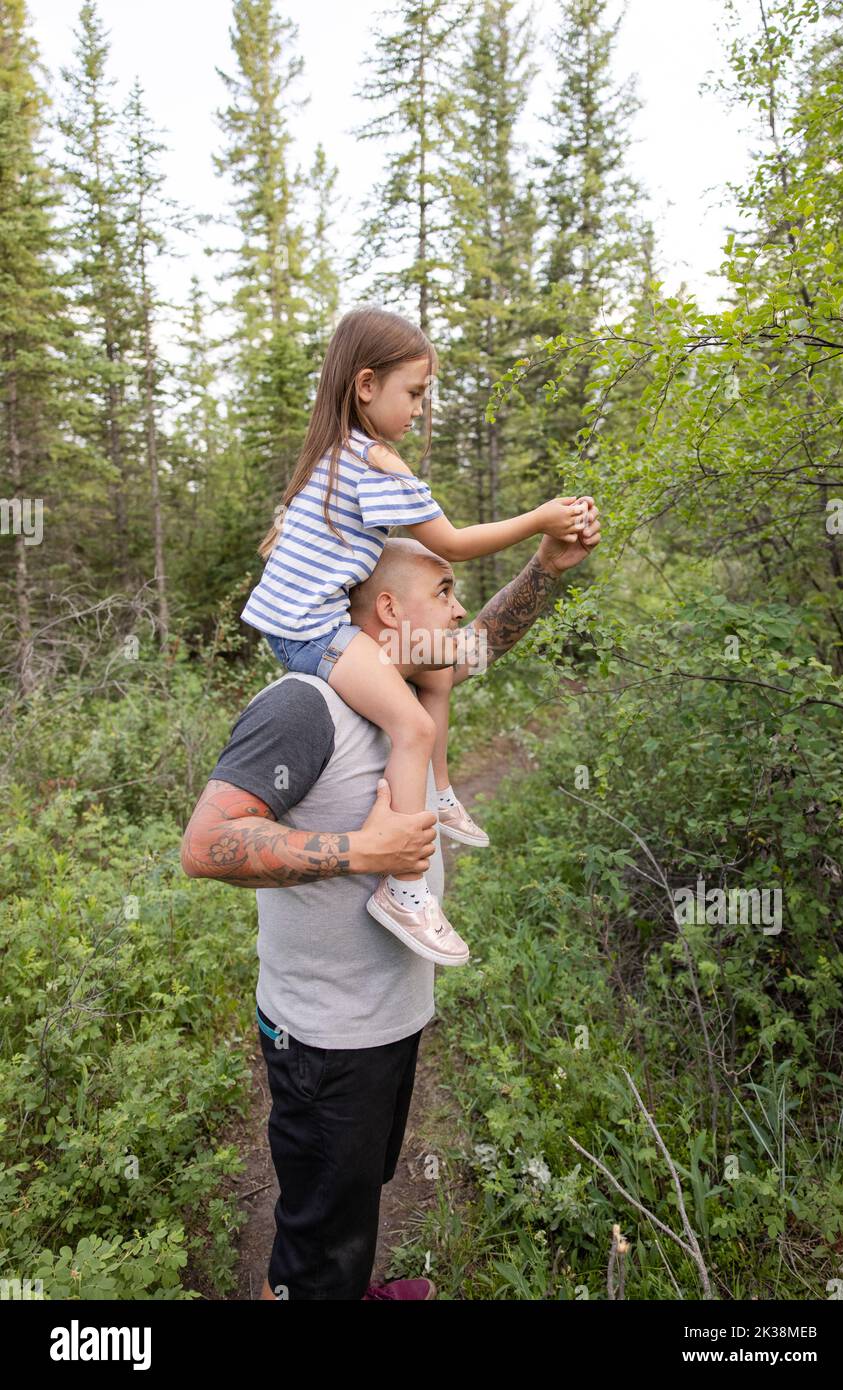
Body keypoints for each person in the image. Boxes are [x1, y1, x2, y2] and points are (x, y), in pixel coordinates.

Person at [180, 511, 601, 1302]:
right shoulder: (302, 705)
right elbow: (206, 845)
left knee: (360, 1187)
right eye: (443, 591)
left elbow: (483, 640)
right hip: (325, 1037)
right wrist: (362, 852)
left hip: (389, 1016)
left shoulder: (411, 680)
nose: (456, 610)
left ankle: (345, 1285)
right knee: (320, 1226)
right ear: (386, 614)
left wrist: (547, 564)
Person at [239, 305, 588, 964]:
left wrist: (547, 567)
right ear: (366, 385)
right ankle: (402, 889)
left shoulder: (335, 454)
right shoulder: (373, 462)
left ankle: (442, 791)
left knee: (435, 664)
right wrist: (541, 518)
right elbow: (453, 542)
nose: (421, 410)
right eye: (416, 393)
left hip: (301, 625)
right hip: (312, 634)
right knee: (413, 727)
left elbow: (467, 649)